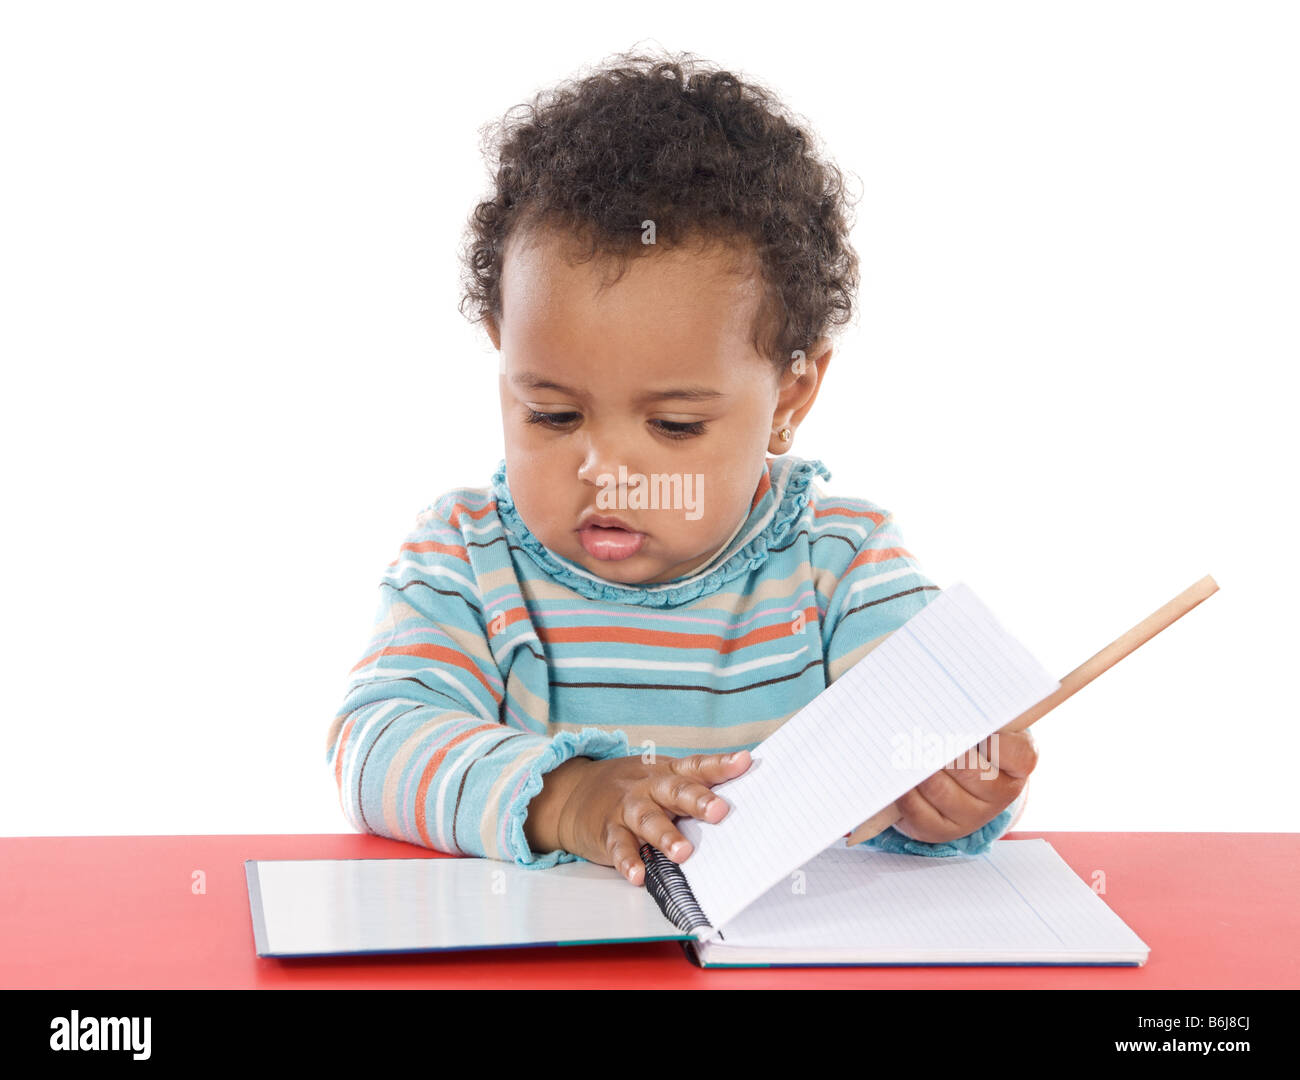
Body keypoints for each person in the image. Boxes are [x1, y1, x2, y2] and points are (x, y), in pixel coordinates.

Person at [326, 49, 1036, 886]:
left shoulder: (841, 569)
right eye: (552, 414)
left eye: (673, 424)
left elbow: (952, 739)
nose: (605, 470)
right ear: (502, 357)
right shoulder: (467, 561)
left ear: (789, 397)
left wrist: (964, 778)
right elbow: (375, 743)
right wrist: (571, 798)